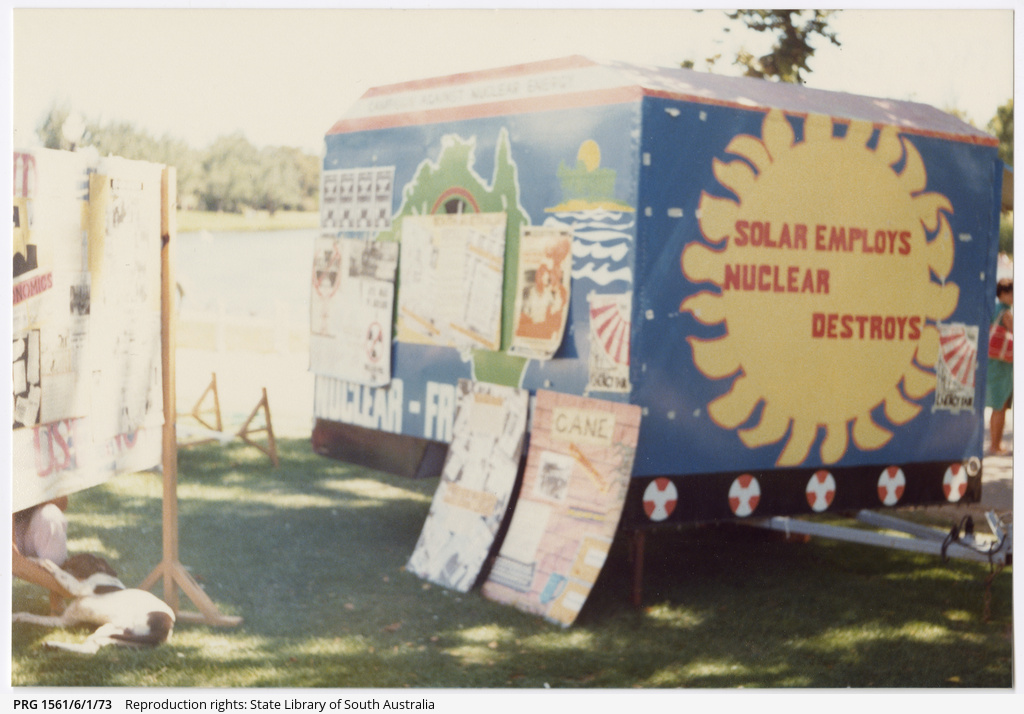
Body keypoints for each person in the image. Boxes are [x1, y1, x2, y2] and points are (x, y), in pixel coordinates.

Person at [12, 497, 73, 608]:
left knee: (51, 514)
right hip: (7, 529)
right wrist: (71, 589)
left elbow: (62, 503)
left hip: (29, 525)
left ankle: (56, 601)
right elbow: (12, 560)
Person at [986, 279, 1013, 454]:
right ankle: (996, 445)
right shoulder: (1006, 312)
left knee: (997, 406)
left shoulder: (994, 309)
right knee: (1000, 407)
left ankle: (994, 443)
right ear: (1004, 293)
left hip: (993, 363)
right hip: (1003, 365)